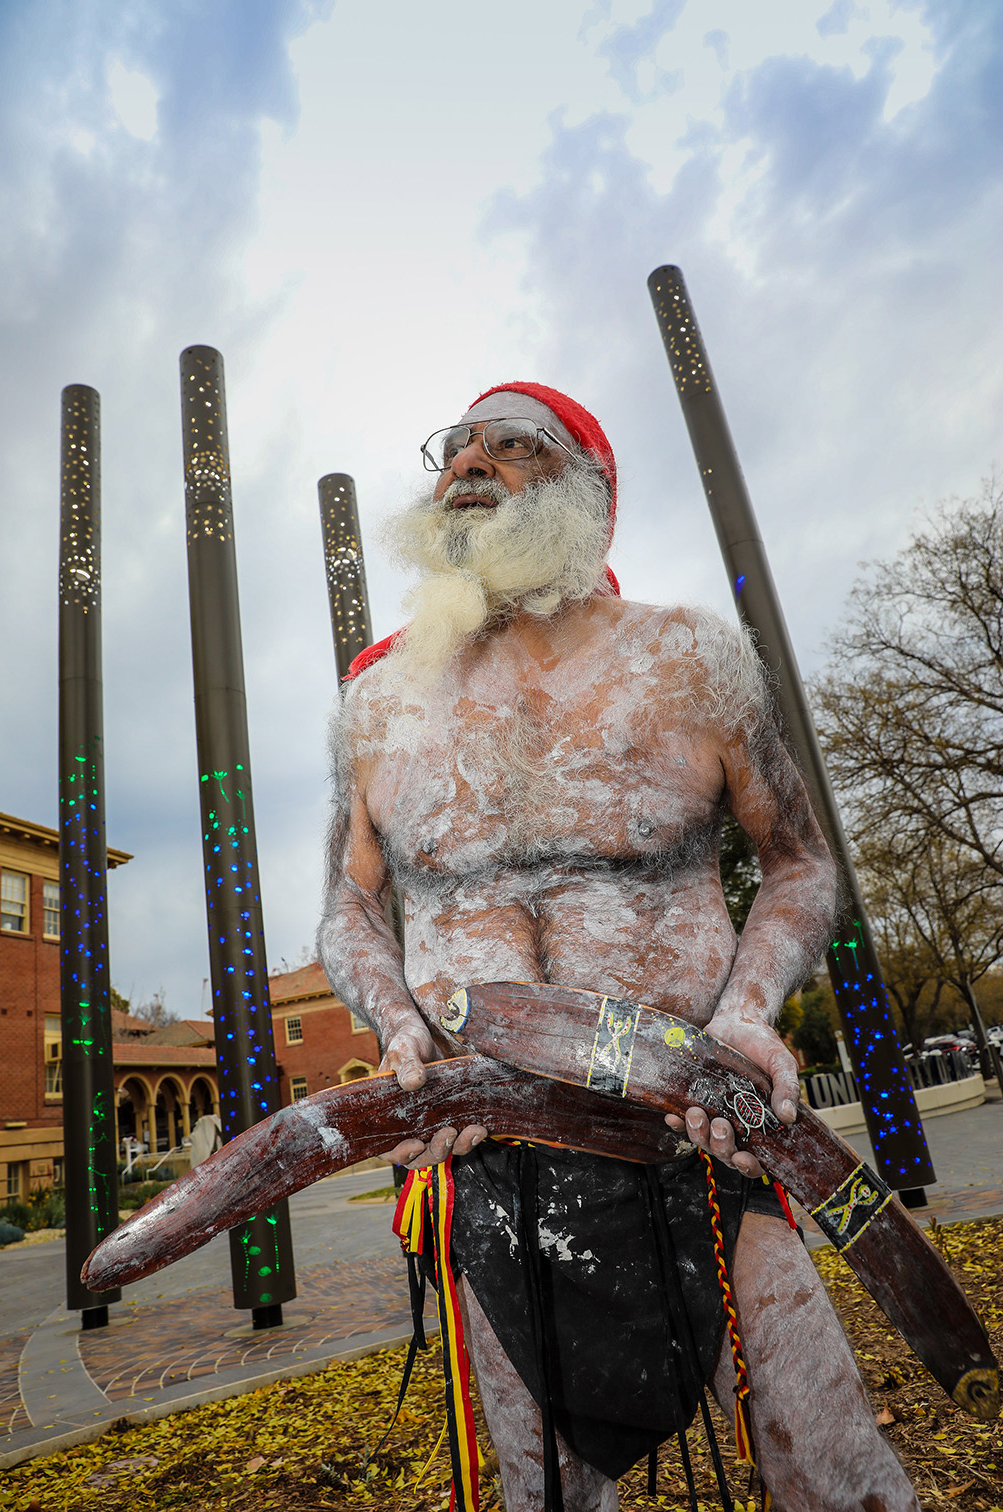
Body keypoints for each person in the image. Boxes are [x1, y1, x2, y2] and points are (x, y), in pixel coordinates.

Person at [318, 382, 919, 1512]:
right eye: (455, 450)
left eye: (511, 445)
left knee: (830, 1459)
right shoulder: (381, 703)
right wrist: (400, 1029)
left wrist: (745, 1015)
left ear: (587, 489)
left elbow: (798, 862)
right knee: (541, 1489)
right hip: (484, 1149)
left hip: (697, 1133)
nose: (469, 465)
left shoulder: (690, 659)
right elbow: (349, 909)